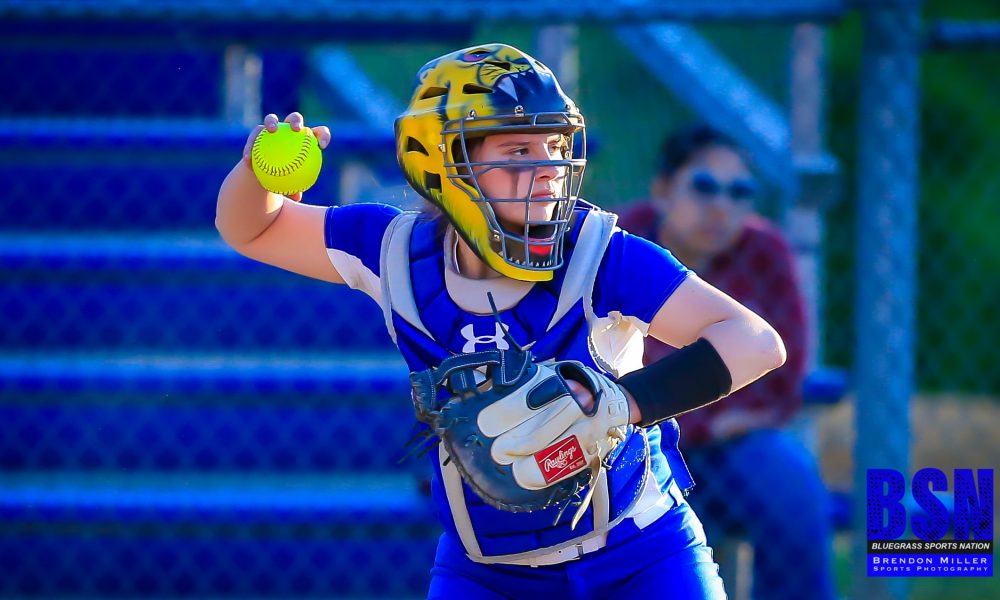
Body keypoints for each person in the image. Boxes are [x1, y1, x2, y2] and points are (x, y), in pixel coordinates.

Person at [217, 44, 785, 599]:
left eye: (553, 149)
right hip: (488, 573)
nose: (546, 174)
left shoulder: (600, 255)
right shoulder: (392, 254)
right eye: (516, 154)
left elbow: (756, 342)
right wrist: (257, 177)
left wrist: (620, 404)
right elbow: (252, 228)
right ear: (444, 161)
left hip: (641, 554)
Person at [616, 124, 835, 600]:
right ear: (662, 190)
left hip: (731, 445)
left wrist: (706, 424)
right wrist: (705, 421)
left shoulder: (765, 250)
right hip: (627, 440)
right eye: (704, 186)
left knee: (791, 486)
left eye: (740, 192)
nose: (722, 206)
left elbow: (784, 369)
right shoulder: (619, 243)